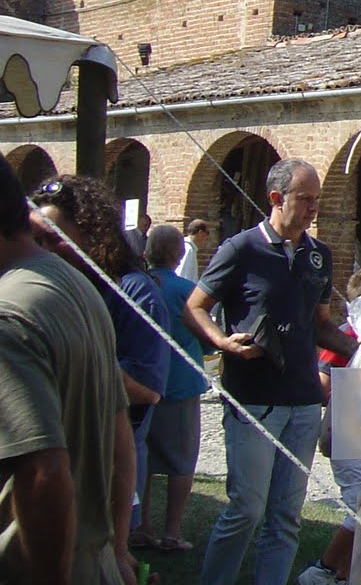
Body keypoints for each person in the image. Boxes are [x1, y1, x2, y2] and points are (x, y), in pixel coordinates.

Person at [186, 157, 357, 585]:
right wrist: (222, 342)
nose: (314, 208)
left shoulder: (319, 255)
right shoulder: (241, 249)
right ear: (277, 198)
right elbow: (195, 306)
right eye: (305, 199)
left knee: (285, 516)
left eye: (317, 200)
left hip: (304, 401)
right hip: (253, 398)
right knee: (246, 508)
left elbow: (320, 325)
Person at [0, 154, 138, 585]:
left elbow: (42, 472)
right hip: (90, 561)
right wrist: (118, 550)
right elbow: (119, 438)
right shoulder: (74, 283)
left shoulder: (8, 312)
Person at [31, 176, 171, 537]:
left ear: (92, 235)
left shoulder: (132, 291)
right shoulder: (43, 286)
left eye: (54, 239)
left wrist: (65, 357)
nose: (42, 250)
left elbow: (148, 389)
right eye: (36, 239)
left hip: (103, 468)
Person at [299, 267, 361, 585]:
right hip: (349, 429)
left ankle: (347, 574)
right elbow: (322, 385)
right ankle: (322, 569)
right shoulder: (350, 337)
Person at [135, 223, 209, 553]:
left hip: (141, 382)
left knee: (143, 457)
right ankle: (171, 532)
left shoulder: (136, 284)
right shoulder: (186, 291)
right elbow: (205, 334)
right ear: (178, 254)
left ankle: (140, 526)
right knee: (181, 461)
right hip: (179, 382)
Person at [176, 218, 209, 282]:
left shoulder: (185, 246)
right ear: (200, 233)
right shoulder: (189, 250)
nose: (206, 240)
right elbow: (183, 275)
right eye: (207, 233)